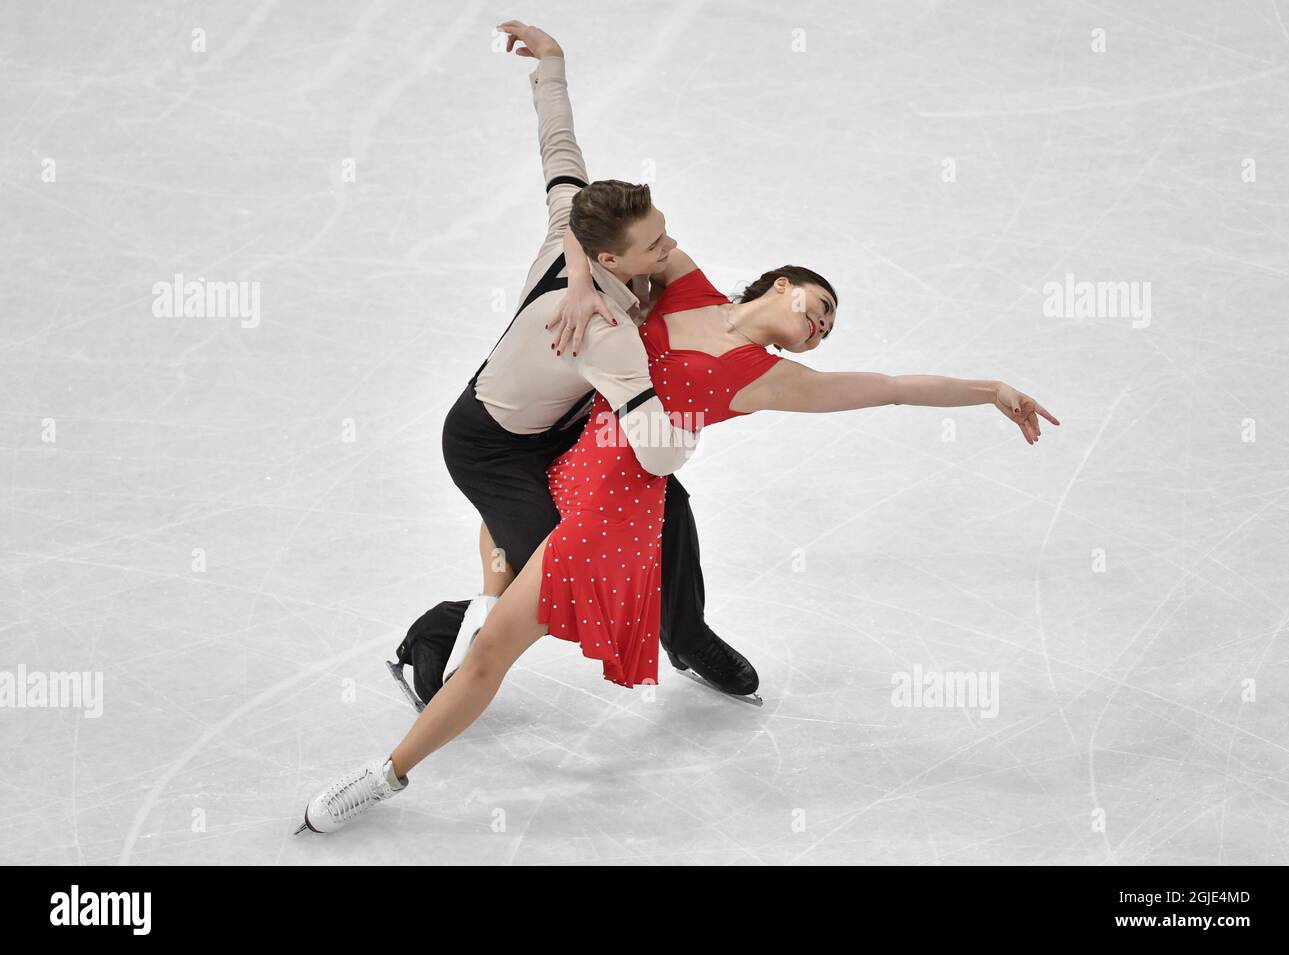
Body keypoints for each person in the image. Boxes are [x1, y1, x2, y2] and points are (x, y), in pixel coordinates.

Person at [293, 24, 1059, 835]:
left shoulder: (765, 376)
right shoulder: (678, 282)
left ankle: (677, 635)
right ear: (785, 281)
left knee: (662, 531)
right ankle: (450, 641)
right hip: (534, 441)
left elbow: (892, 389)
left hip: (604, 465)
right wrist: (582, 261)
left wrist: (989, 389)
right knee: (519, 583)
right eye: (817, 305)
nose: (821, 326)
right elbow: (583, 215)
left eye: (829, 325)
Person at [387, 20, 761, 715]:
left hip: (558, 421)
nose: (672, 245)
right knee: (556, 575)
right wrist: (704, 411)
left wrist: (551, 66)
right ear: (610, 259)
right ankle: (432, 635)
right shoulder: (597, 329)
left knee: (669, 510)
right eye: (657, 244)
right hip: (490, 447)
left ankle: (685, 631)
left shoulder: (577, 221)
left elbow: (560, 150)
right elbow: (656, 448)